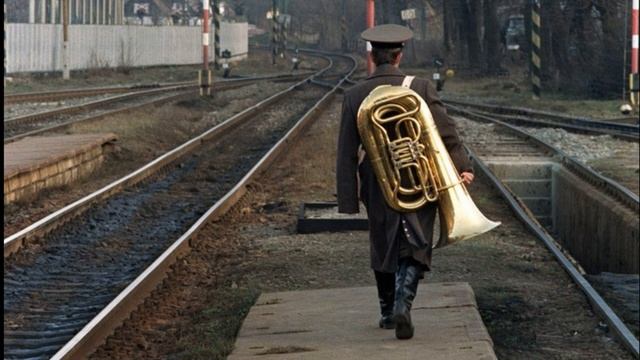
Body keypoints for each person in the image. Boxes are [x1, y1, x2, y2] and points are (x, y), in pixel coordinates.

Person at [336, 24, 475, 340]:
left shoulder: (354, 94)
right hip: (419, 176)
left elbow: (345, 152)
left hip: (376, 180)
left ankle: (387, 311)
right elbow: (447, 132)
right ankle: (403, 303)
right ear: (400, 55)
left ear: (372, 55)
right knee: (417, 239)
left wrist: (348, 197)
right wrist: (462, 167)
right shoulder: (421, 87)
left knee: (383, 239)